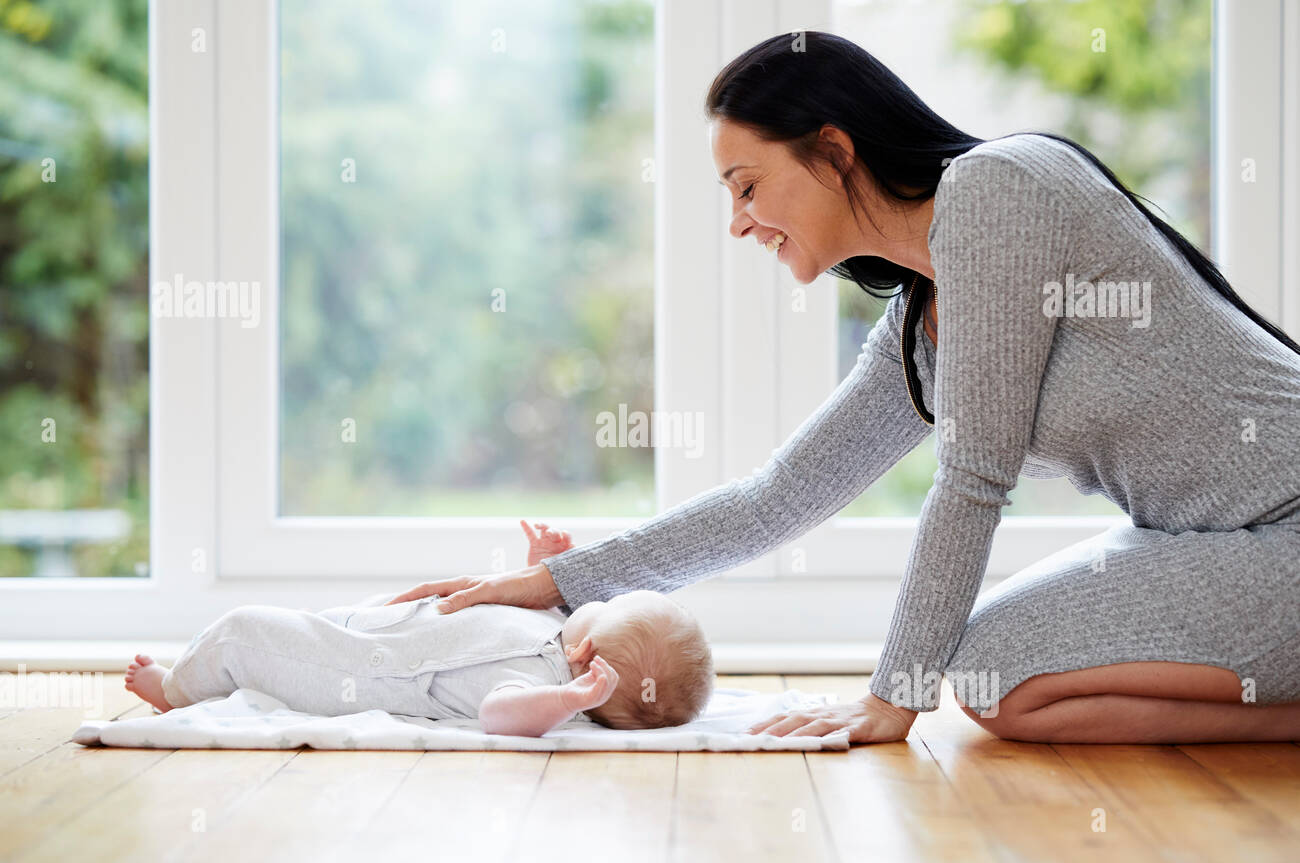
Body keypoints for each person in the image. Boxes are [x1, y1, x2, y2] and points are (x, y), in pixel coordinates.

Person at [385, 32, 1300, 746]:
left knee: (967, 675)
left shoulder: (999, 191)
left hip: (1287, 517)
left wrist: (889, 700)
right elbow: (776, 501)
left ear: (832, 151)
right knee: (988, 680)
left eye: (747, 187)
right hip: (1217, 538)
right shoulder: (919, 326)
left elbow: (974, 477)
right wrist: (550, 581)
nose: (739, 224)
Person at [124, 521, 714, 736]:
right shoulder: (557, 628)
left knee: (242, 629)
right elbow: (528, 600)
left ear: (586, 656)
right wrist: (536, 559)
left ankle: (176, 691)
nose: (595, 597)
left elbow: (499, 716)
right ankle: (204, 682)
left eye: (607, 604)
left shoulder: (538, 677)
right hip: (378, 629)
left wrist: (565, 700)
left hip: (354, 672)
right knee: (294, 632)